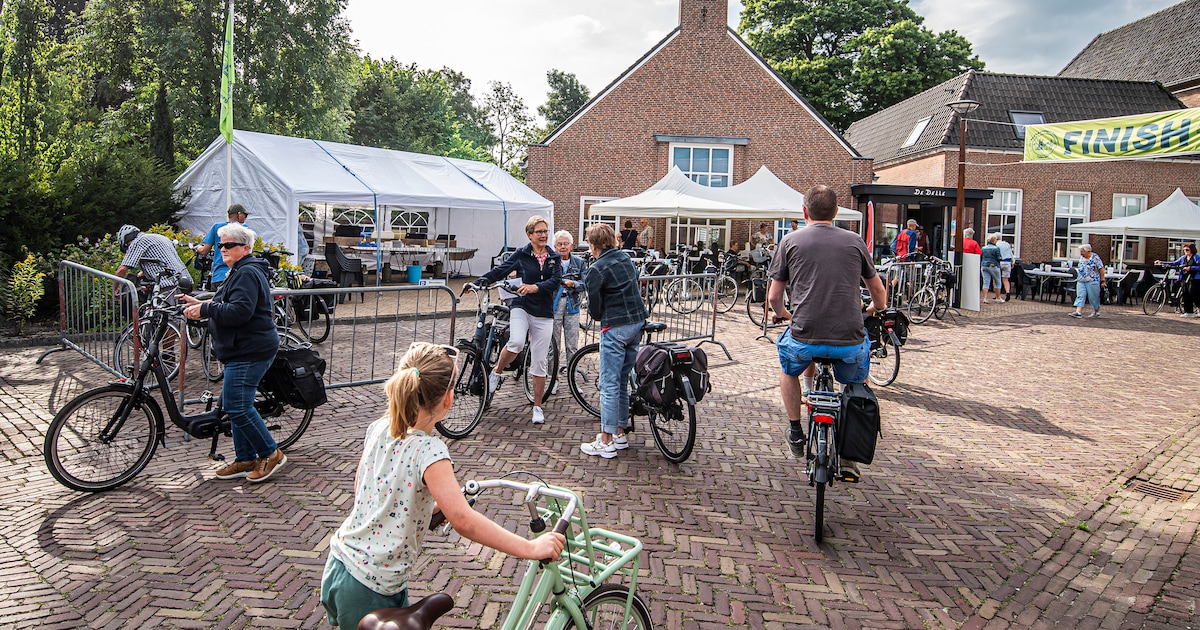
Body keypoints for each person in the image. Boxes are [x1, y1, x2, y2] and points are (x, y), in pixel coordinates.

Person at [320, 343, 566, 629]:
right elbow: (463, 520)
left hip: (341, 563)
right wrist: (529, 548)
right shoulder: (430, 452)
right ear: (448, 400)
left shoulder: (379, 427)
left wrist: (423, 508)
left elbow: (366, 487)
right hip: (373, 586)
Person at [768, 185, 887, 483]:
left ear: (804, 212)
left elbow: (773, 298)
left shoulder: (790, 241)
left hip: (804, 337)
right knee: (856, 382)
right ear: (835, 213)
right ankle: (848, 455)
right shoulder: (855, 241)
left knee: (787, 368)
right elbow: (879, 295)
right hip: (848, 340)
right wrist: (873, 309)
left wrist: (783, 314)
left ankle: (796, 430)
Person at [180, 223, 286, 482]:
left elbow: (240, 311)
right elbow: (230, 303)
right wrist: (205, 303)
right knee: (233, 404)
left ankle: (270, 453)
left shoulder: (247, 273)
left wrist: (206, 310)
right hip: (241, 347)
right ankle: (245, 458)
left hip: (250, 349)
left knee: (238, 407)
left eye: (229, 245)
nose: (223, 250)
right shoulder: (239, 271)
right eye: (220, 245)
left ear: (246, 248)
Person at [473, 216, 561, 424]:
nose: (543, 235)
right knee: (516, 342)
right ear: (529, 235)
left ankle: (537, 406)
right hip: (522, 306)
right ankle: (496, 372)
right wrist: (477, 283)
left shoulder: (554, 257)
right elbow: (500, 271)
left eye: (545, 231)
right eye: (538, 232)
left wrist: (535, 287)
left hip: (544, 311)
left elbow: (556, 281)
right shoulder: (521, 254)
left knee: (539, 362)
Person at [580, 223, 648, 458]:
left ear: (593, 244)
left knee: (609, 383)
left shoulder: (596, 269)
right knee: (621, 381)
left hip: (615, 327)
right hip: (637, 323)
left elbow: (595, 310)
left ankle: (606, 440)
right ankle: (620, 432)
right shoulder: (626, 259)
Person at [551, 230, 587, 392]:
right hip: (554, 306)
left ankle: (572, 380)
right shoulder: (550, 263)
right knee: (553, 345)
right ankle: (554, 379)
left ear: (571, 246)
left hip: (572, 306)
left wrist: (574, 284)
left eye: (566, 244)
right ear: (554, 246)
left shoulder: (579, 263)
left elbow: (586, 282)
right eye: (559, 244)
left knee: (572, 345)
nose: (563, 247)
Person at [115, 224, 193, 291]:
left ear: (126, 242)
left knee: (163, 308)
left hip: (167, 285)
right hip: (185, 282)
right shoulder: (160, 237)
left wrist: (114, 289)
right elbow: (163, 262)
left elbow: (122, 269)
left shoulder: (138, 242)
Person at [193, 204, 250, 286]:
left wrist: (197, 248)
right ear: (239, 214)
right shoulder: (245, 228)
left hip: (219, 277)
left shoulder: (216, 227)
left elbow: (204, 250)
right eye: (245, 215)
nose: (246, 218)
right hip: (239, 276)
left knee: (216, 298)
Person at [1156, 243, 1200, 318]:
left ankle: (1199, 309)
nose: (1185, 251)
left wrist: (1190, 268)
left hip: (1194, 278)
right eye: (1184, 250)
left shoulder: (1196, 257)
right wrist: (1162, 262)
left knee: (1193, 293)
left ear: (1192, 250)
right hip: (1185, 278)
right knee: (1185, 293)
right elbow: (1174, 263)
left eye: (1187, 250)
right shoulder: (1183, 258)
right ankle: (1189, 312)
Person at [1070, 243, 1106, 318]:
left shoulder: (1095, 258)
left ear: (1088, 251)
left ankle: (1096, 311)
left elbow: (1101, 269)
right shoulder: (1081, 258)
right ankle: (1078, 311)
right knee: (1080, 295)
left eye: (1082, 251)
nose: (1081, 253)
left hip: (1092, 280)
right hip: (1081, 280)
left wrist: (1103, 280)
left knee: (1093, 297)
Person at [980, 234, 1004, 303]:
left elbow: (981, 257)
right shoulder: (996, 248)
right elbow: (999, 258)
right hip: (994, 266)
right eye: (996, 239)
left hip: (984, 266)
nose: (997, 241)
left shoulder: (983, 248)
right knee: (998, 281)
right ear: (993, 240)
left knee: (986, 282)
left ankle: (985, 298)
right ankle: (998, 298)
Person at [996, 234, 1015, 298]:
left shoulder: (996, 245)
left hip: (999, 262)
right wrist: (1012, 262)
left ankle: (997, 295)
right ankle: (1008, 292)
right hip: (1007, 262)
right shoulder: (1007, 244)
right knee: (1005, 279)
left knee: (996, 279)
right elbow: (1011, 254)